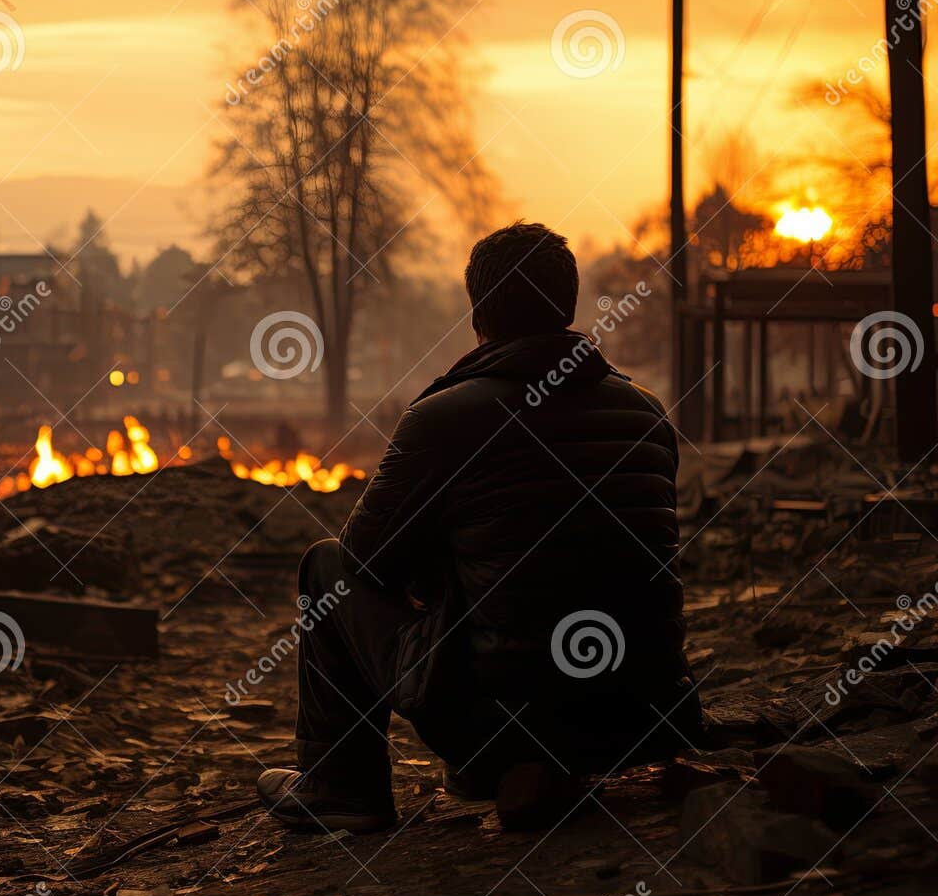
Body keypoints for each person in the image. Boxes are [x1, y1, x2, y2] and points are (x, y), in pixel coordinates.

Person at [257, 221, 702, 833]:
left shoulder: (445, 417)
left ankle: (342, 786)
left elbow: (368, 560)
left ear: (479, 316)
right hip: (651, 713)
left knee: (325, 567)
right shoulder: (647, 413)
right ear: (567, 306)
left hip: (506, 717)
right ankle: (541, 761)